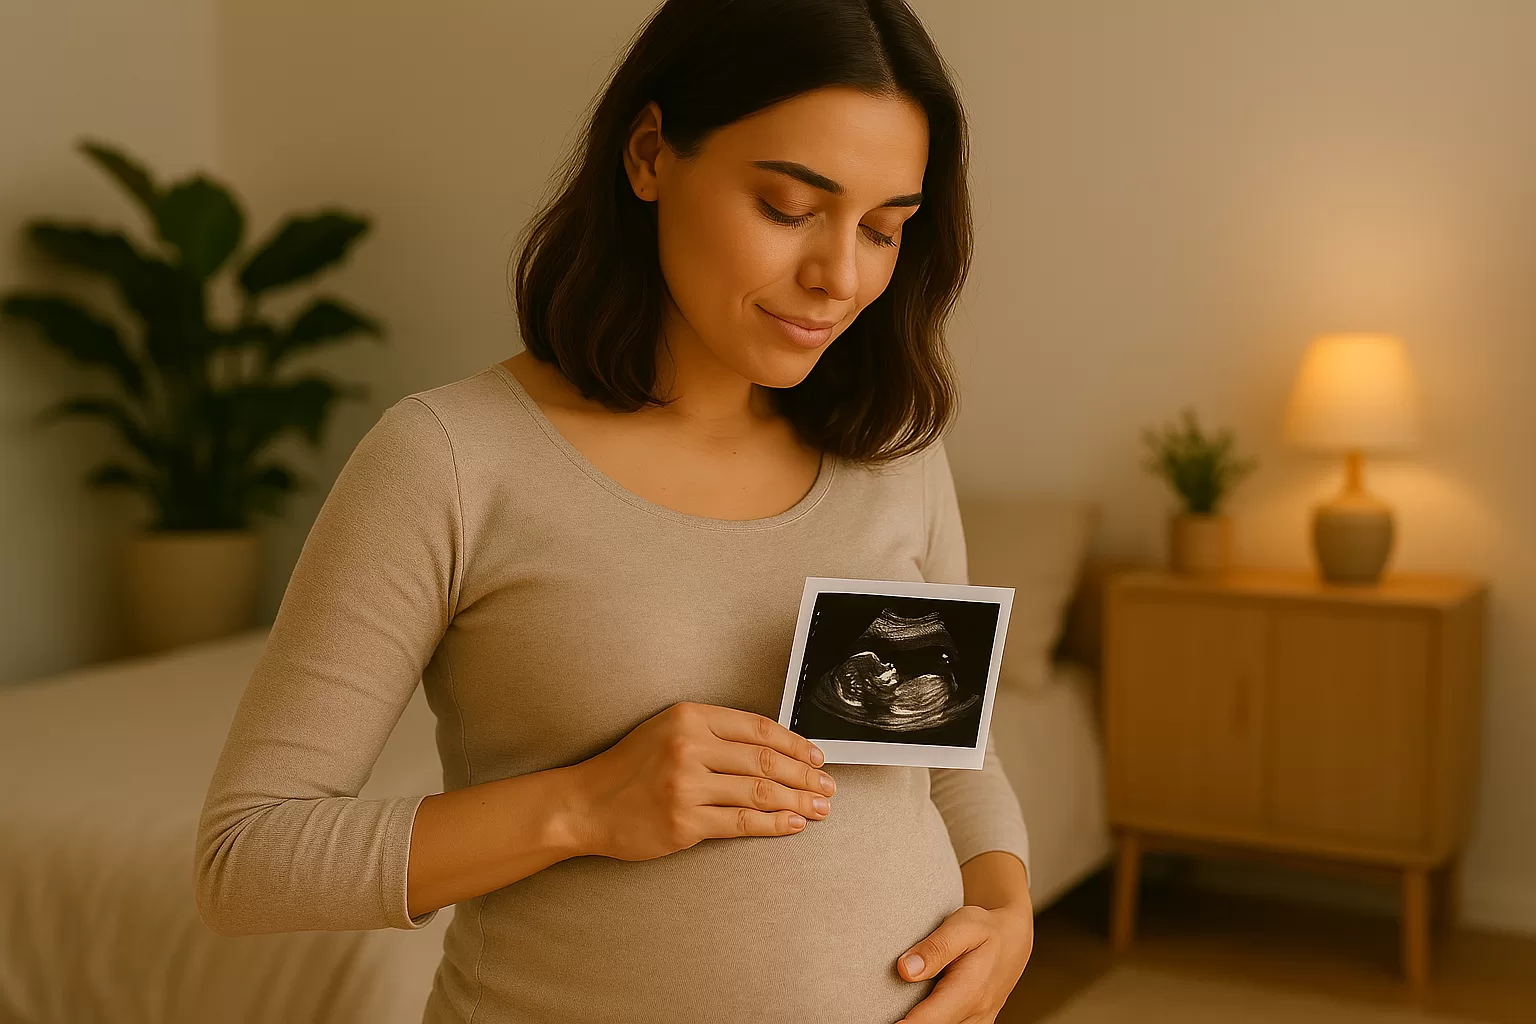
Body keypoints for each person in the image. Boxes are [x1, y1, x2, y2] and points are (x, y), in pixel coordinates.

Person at [194, 1, 1035, 1020]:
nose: (839, 276)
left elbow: (952, 750)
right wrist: (584, 806)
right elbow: (247, 858)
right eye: (786, 206)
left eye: (884, 228)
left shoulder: (892, 448)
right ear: (648, 154)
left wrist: (1005, 906)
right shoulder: (452, 459)